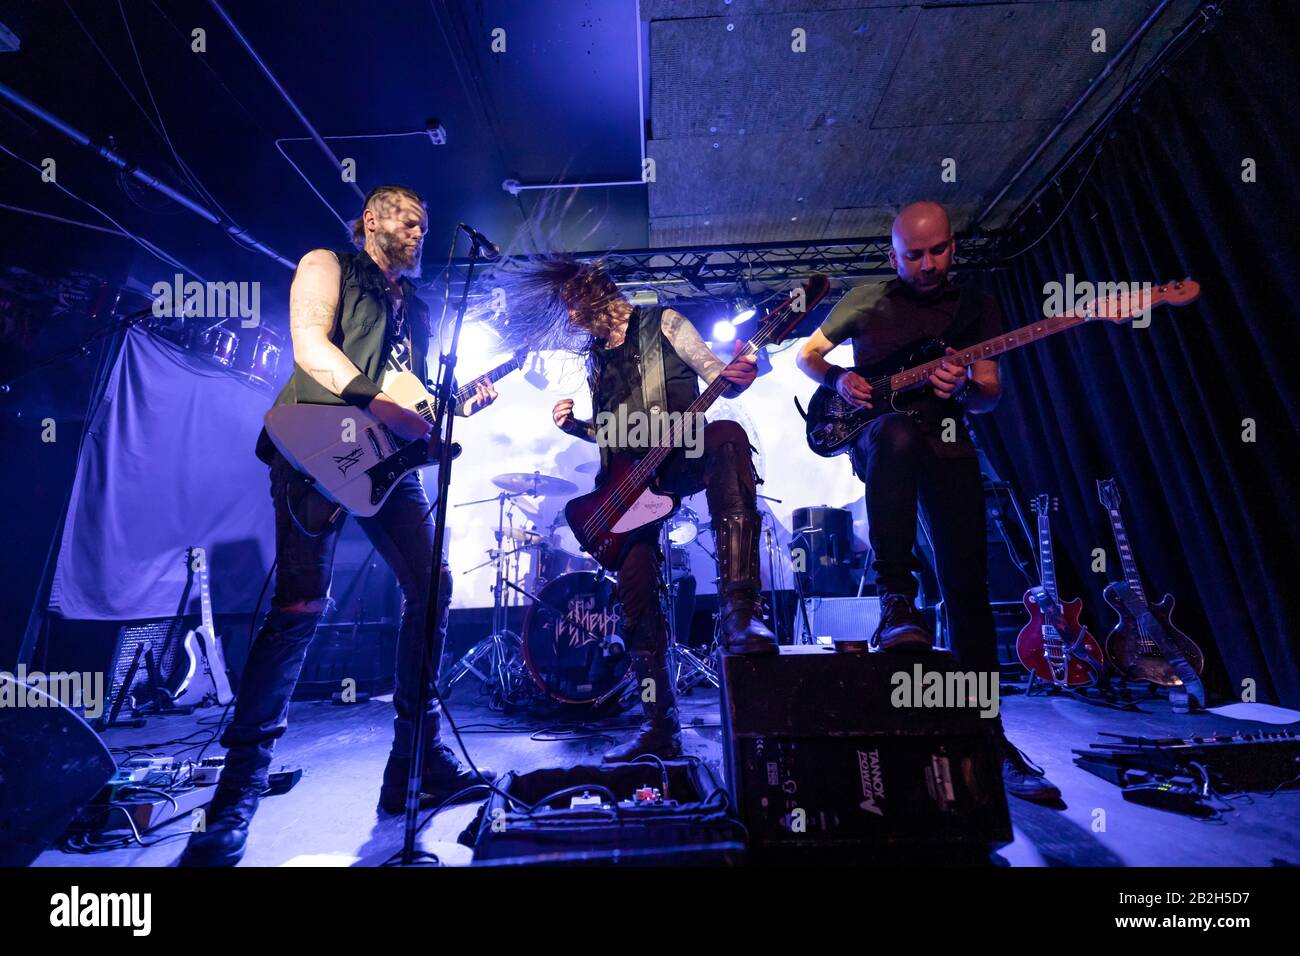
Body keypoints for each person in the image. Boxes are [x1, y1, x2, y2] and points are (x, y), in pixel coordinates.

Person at [180, 185, 499, 866]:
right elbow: (310, 347)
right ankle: (233, 799)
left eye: (425, 221)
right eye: (409, 219)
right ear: (373, 222)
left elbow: (413, 403)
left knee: (431, 586)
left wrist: (454, 409)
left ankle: (413, 763)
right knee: (298, 608)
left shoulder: (419, 309)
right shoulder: (327, 264)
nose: (420, 230)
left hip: (383, 462)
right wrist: (387, 404)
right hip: (314, 443)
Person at [796, 200, 1060, 803]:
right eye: (913, 254)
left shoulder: (977, 308)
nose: (927, 263)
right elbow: (807, 355)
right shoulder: (867, 299)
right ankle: (896, 595)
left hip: (949, 443)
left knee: (968, 592)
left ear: (952, 247)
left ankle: (988, 734)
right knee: (897, 432)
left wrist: (966, 385)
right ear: (894, 256)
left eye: (937, 250)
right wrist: (839, 378)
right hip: (880, 436)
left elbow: (990, 393)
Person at [494, 256, 772, 762]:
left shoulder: (663, 323)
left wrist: (741, 375)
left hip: (682, 454)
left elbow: (717, 375)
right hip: (628, 487)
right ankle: (659, 725)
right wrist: (576, 427)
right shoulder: (596, 359)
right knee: (637, 600)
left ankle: (740, 610)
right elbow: (613, 435)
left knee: (727, 436)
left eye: (574, 307)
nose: (573, 320)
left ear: (594, 293)